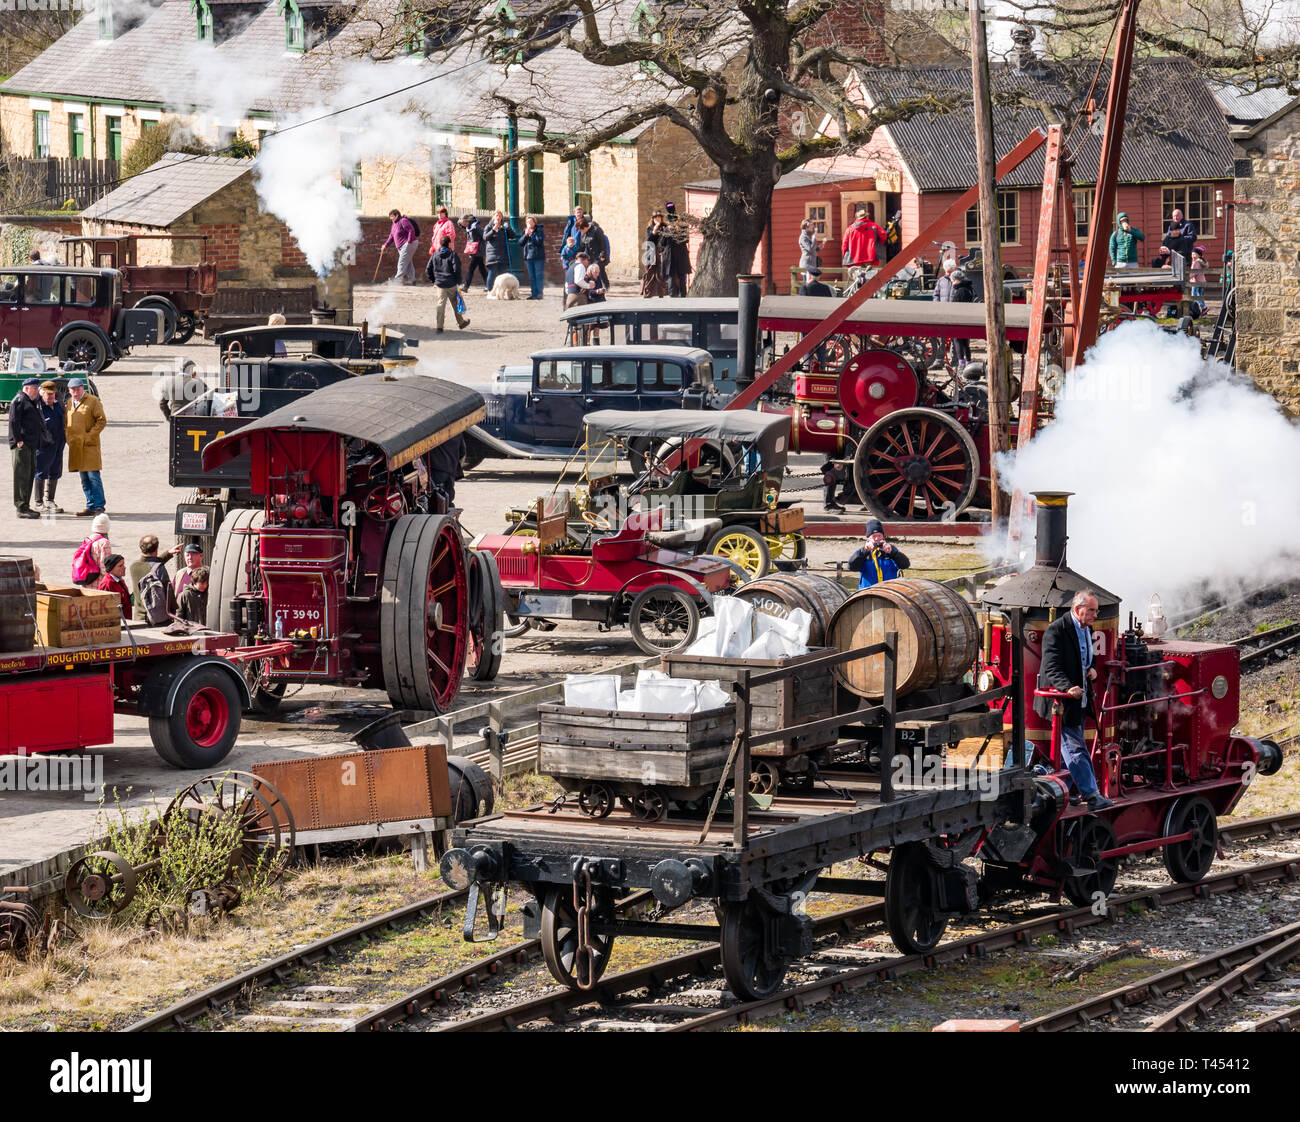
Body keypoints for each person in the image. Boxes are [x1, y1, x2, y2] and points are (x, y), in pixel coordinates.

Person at [1034, 589, 1113, 810]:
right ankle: (1092, 794)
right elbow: (1051, 667)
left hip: (1080, 700)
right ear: (1078, 610)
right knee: (1075, 747)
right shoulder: (1056, 631)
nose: (1095, 615)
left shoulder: (1088, 629)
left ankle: (1062, 791)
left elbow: (1089, 656)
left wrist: (1093, 670)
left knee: (1066, 749)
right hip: (1062, 702)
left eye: (1096, 611)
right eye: (1092, 611)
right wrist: (1068, 687)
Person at [65, 378, 106, 515]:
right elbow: (66, 423)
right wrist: (68, 438)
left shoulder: (93, 401)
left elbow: (101, 421)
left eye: (77, 389)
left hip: (89, 446)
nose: (75, 392)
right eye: (72, 389)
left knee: (93, 476)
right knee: (84, 478)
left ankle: (99, 506)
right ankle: (90, 505)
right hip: (76, 447)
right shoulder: (70, 403)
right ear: (69, 390)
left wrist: (90, 436)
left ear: (83, 388)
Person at [7, 375, 45, 519]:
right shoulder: (20, 400)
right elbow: (13, 421)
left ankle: (25, 505)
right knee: (22, 476)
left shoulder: (29, 400)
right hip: (22, 445)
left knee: (29, 474)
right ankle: (21, 507)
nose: (37, 391)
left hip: (30, 444)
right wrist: (18, 440)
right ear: (27, 388)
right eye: (35, 388)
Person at [847, 520, 910, 588]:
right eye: (874, 536)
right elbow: (851, 566)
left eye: (879, 535)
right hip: (868, 592)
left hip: (889, 590)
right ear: (868, 538)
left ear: (883, 536)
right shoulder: (863, 552)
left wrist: (892, 553)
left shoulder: (890, 550)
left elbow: (905, 565)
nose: (877, 539)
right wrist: (865, 551)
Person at [129, 535, 178, 622]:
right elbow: (168, 592)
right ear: (156, 549)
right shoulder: (159, 568)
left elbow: (149, 563)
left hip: (138, 617)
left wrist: (168, 554)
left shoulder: (133, 566)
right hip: (157, 618)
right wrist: (173, 612)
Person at [33, 379, 65, 513]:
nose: (50, 396)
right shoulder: (38, 407)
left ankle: (50, 501)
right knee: (40, 472)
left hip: (59, 444)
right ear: (42, 394)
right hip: (44, 445)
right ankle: (38, 502)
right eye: (48, 394)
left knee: (55, 472)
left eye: (53, 394)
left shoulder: (59, 405)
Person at [428, 234, 471, 332]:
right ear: (449, 244)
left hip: (440, 284)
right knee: (456, 303)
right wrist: (458, 281)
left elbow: (428, 269)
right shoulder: (452, 254)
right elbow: (457, 269)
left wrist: (433, 280)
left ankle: (439, 326)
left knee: (440, 304)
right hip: (451, 283)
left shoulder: (435, 254)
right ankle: (461, 322)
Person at [842, 203, 885, 273]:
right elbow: (884, 236)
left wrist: (846, 255)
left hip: (855, 258)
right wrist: (878, 245)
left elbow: (844, 244)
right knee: (870, 279)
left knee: (857, 280)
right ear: (866, 217)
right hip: (870, 257)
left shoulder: (850, 229)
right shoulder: (874, 226)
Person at [73, 513, 113, 587]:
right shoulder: (104, 542)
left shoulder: (88, 539)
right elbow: (105, 567)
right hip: (98, 584)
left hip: (86, 581)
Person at [482, 210, 517, 295]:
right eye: (496, 215)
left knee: (503, 275)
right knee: (492, 274)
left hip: (503, 255)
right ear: (493, 217)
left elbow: (513, 235)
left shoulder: (504, 228)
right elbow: (485, 237)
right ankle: (490, 291)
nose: (498, 217)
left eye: (500, 216)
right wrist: (494, 229)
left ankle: (502, 292)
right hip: (492, 255)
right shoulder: (489, 226)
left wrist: (508, 228)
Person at [382, 208, 419, 285]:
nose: (390, 218)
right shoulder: (394, 224)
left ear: (397, 215)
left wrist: (409, 241)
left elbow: (411, 230)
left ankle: (397, 280)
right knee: (408, 263)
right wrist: (385, 245)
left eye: (392, 216)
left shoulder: (403, 221)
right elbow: (391, 236)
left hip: (409, 244)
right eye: (390, 216)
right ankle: (412, 280)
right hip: (402, 246)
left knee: (401, 262)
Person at [663, 203, 691, 297]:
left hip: (675, 254)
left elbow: (663, 243)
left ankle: (676, 295)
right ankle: (679, 295)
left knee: (675, 276)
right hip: (677, 254)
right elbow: (686, 240)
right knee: (678, 276)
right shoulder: (677, 227)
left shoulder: (673, 228)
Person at [95, 554, 132, 621]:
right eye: (120, 566)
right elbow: (104, 609)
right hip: (117, 623)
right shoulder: (107, 584)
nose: (124, 567)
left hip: (126, 619)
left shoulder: (119, 580)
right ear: (111, 569)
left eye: (123, 564)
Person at [642, 211, 669, 298]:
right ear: (653, 219)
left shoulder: (665, 227)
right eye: (656, 217)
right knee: (650, 273)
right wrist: (654, 230)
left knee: (660, 274)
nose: (658, 219)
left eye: (659, 217)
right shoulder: (650, 228)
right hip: (651, 254)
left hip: (661, 253)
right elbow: (649, 241)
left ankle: (661, 293)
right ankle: (648, 292)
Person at [459, 215, 488, 292]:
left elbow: (484, 236)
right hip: (474, 251)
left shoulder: (476, 227)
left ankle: (466, 286)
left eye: (463, 223)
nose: (462, 225)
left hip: (478, 251)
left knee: (471, 268)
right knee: (482, 269)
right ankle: (489, 285)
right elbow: (459, 224)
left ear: (467, 221)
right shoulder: (468, 226)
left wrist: (479, 243)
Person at [520, 216, 545, 299]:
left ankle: (539, 293)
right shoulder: (525, 231)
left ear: (534, 223)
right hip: (528, 257)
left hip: (538, 256)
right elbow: (520, 243)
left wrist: (532, 234)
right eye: (527, 222)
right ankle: (533, 294)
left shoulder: (539, 230)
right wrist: (526, 235)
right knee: (531, 276)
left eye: (531, 222)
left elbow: (539, 241)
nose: (529, 224)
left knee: (538, 275)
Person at [1189, 244, 1209, 316]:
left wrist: (1188, 277)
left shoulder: (1196, 262)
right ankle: (1203, 308)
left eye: (1195, 254)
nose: (1193, 256)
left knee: (1194, 295)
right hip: (1202, 281)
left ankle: (1201, 307)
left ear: (1199, 255)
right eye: (1192, 254)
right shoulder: (1200, 261)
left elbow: (1194, 272)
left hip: (1196, 281)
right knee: (1199, 295)